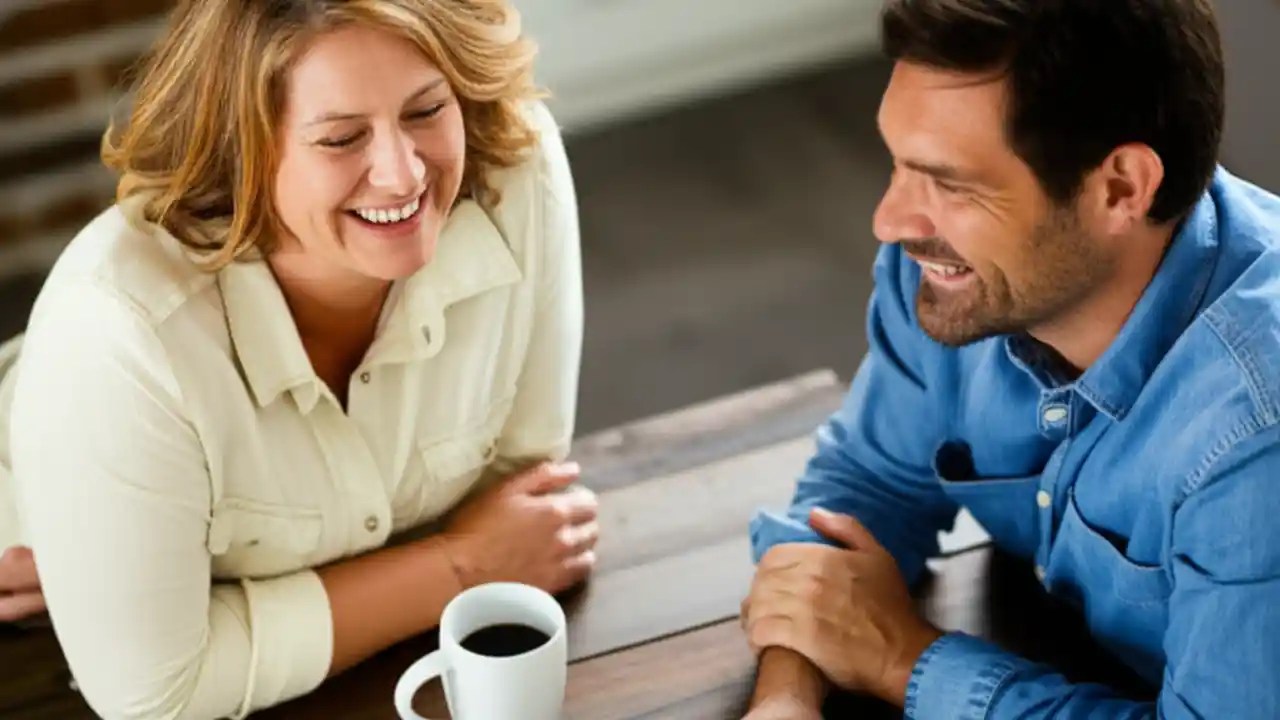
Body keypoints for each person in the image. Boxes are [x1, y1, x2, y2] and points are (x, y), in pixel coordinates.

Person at [0, 0, 599, 717]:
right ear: (241, 151)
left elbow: (523, 507)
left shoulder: (515, 169)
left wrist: (225, 601)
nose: (403, 175)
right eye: (342, 138)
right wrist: (461, 564)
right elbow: (154, 693)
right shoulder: (116, 335)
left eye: (425, 110)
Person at [741, 1, 1280, 718]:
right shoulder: (957, 274)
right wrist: (786, 697)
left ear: (1120, 188)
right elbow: (866, 489)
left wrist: (903, 659)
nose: (891, 220)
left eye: (951, 184)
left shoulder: (1255, 434)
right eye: (899, 163)